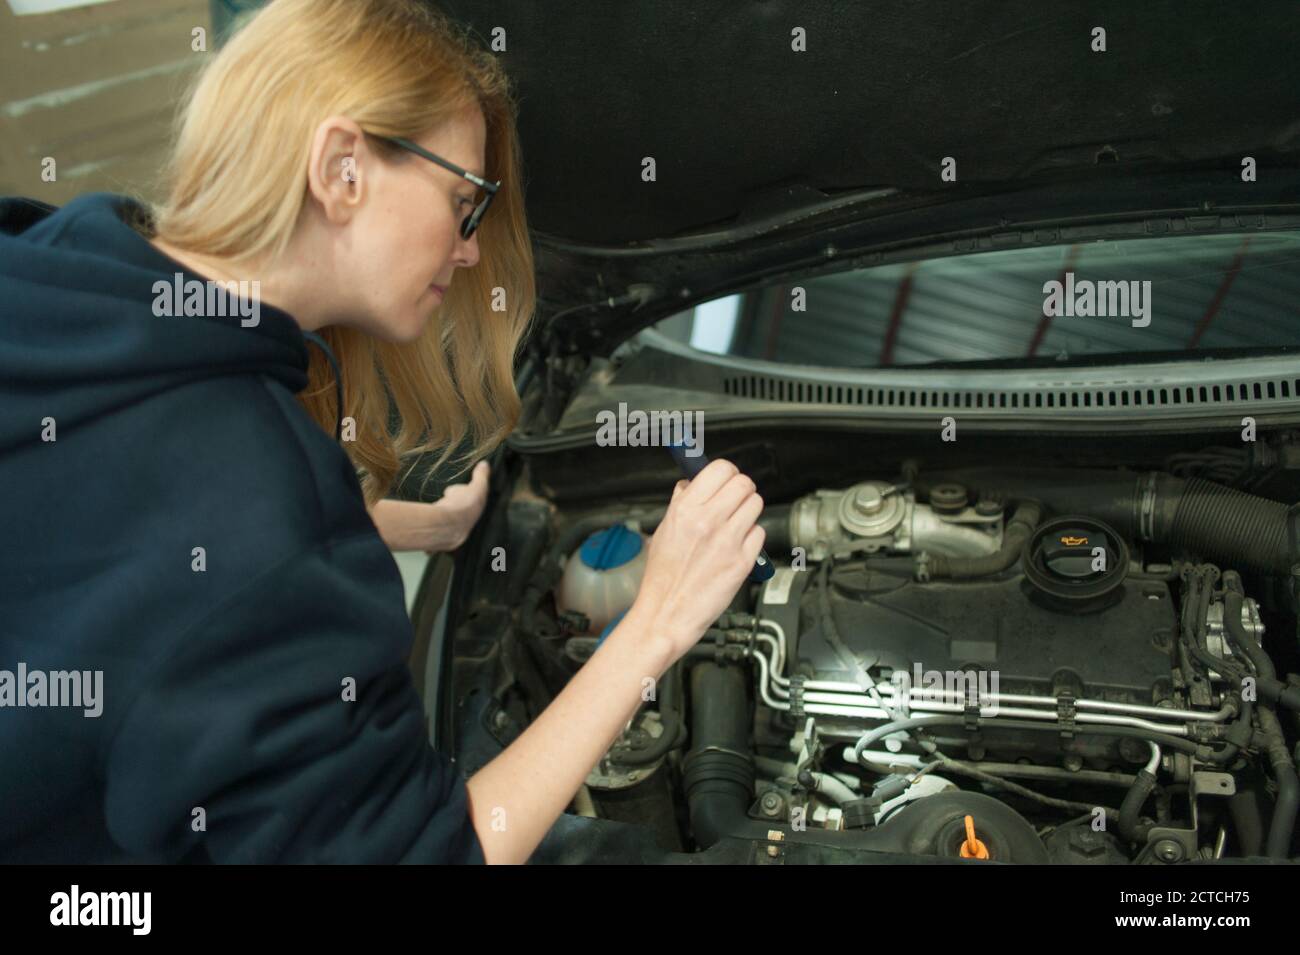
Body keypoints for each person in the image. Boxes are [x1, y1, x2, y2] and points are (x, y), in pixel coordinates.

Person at [0, 0, 763, 864]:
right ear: (341, 168)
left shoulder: (42, 260)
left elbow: (112, 545)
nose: (471, 252)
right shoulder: (258, 506)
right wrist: (656, 623)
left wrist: (407, 525)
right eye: (463, 202)